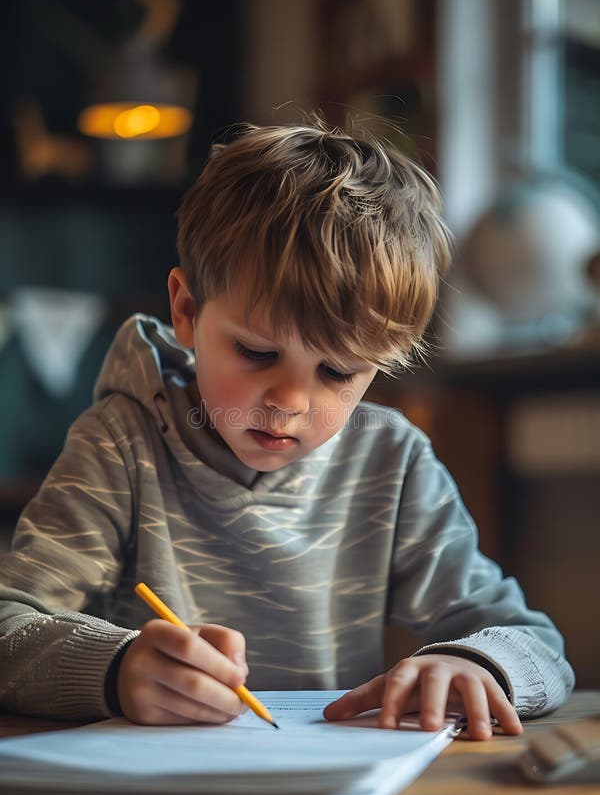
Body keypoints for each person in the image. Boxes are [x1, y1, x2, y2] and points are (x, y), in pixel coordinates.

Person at [0, 116, 574, 739]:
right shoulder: (120, 446)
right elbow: (9, 626)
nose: (290, 402)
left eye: (337, 371)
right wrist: (113, 669)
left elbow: (537, 645)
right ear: (187, 311)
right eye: (256, 353)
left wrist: (474, 662)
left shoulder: (391, 463)